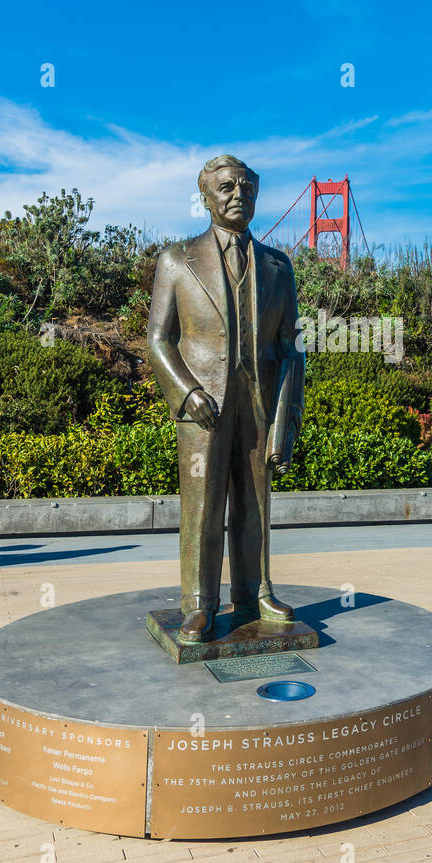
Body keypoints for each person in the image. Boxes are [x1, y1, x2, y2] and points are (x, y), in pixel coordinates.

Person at [147, 155, 304, 643]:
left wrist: (285, 418)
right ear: (206, 197)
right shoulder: (177, 260)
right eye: (227, 187)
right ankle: (199, 604)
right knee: (203, 508)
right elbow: (158, 338)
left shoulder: (279, 267)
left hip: (257, 403)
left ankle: (255, 591)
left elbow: (291, 349)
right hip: (203, 407)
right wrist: (187, 391)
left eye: (247, 188)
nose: (238, 195)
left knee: (256, 505)